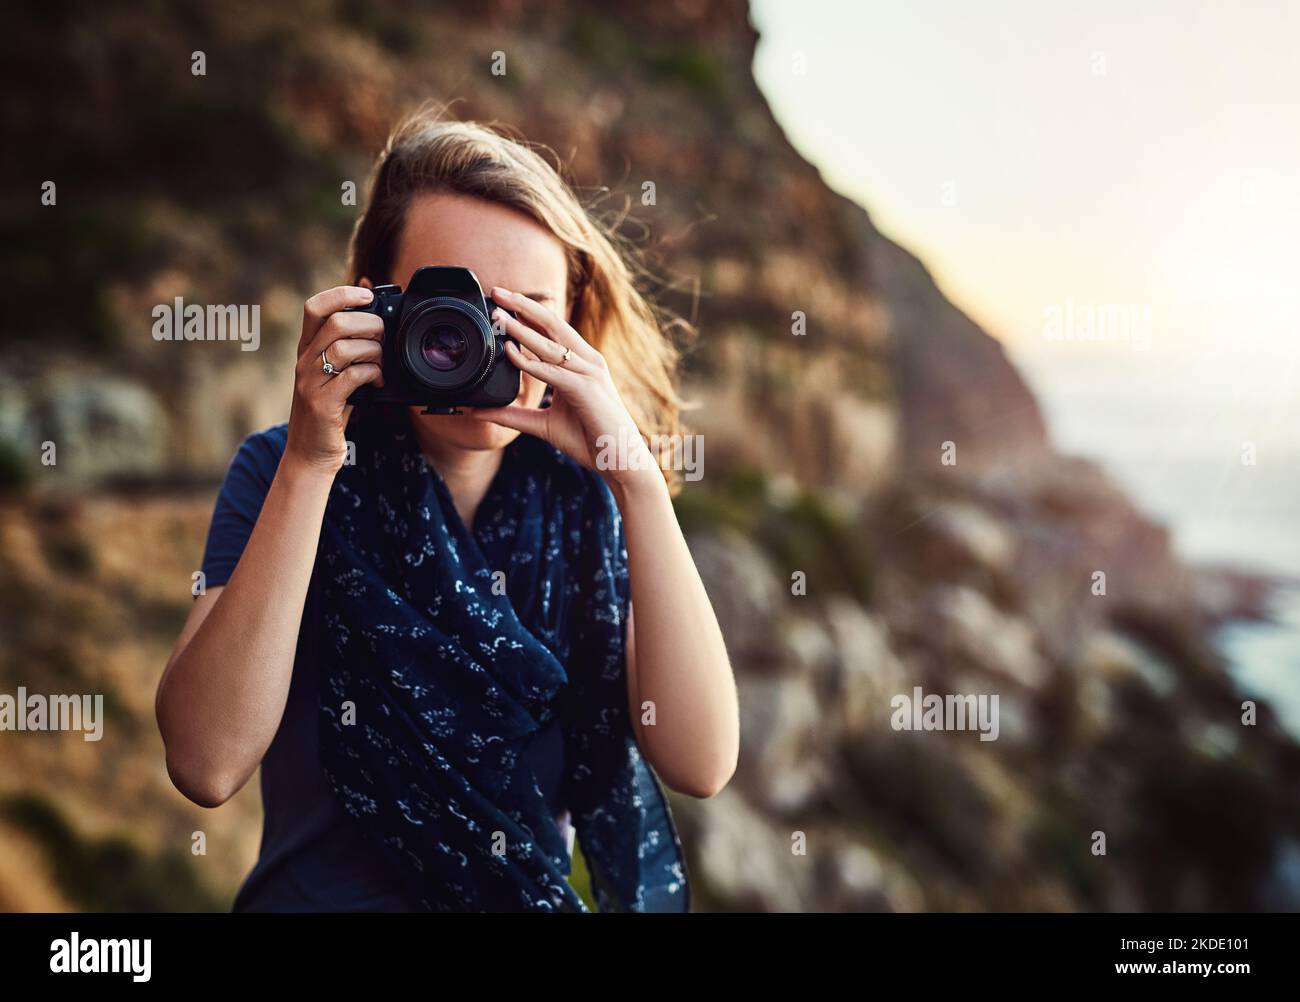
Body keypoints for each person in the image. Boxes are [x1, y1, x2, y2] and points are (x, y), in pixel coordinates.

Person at [154, 111, 739, 912]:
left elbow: (702, 762)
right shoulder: (285, 469)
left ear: (570, 321)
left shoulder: (587, 507)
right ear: (373, 307)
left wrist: (632, 476)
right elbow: (204, 762)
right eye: (447, 305)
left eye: (523, 313)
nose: (478, 346)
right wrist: (312, 461)